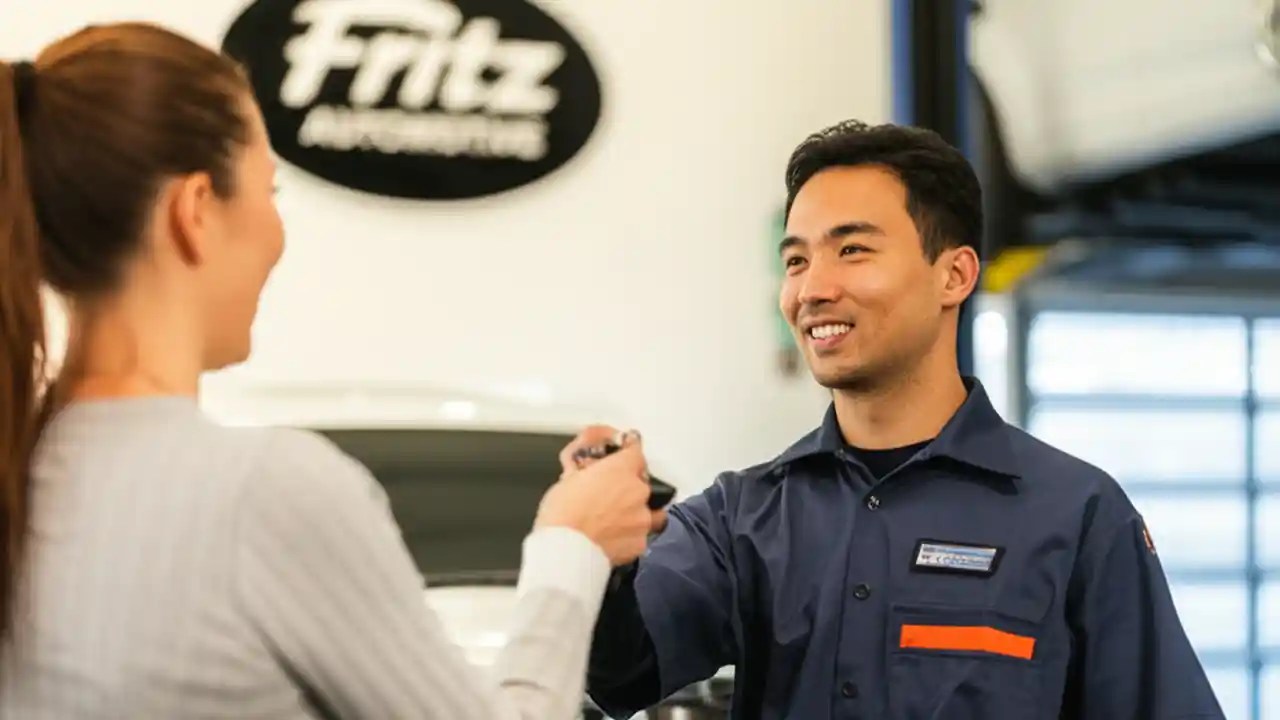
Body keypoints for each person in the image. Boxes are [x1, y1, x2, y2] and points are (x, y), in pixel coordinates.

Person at [0, 23, 663, 719]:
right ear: (194, 212)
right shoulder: (261, 493)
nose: (277, 232)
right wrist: (572, 546)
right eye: (269, 190)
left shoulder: (25, 472)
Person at [575, 120, 1225, 719]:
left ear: (954, 276)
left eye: (852, 250)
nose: (813, 288)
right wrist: (602, 550)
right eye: (796, 260)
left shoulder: (1077, 516)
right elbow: (623, 677)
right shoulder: (741, 519)